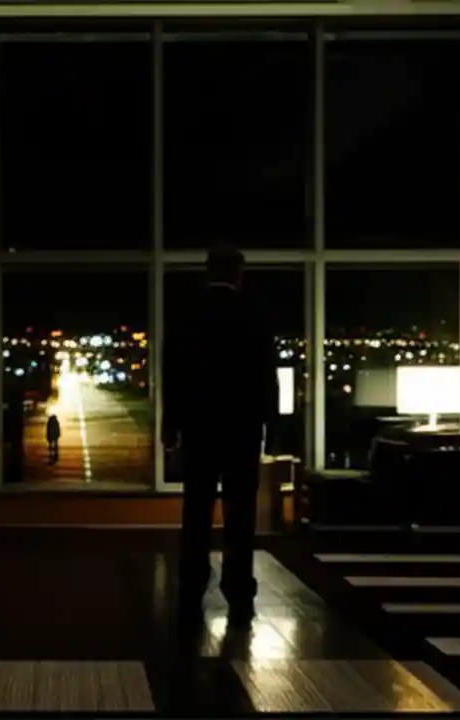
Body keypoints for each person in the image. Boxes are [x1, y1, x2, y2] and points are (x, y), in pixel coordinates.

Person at [163, 243, 276, 629]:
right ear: (238, 273)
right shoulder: (253, 313)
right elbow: (266, 376)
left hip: (200, 427)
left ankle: (192, 584)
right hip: (242, 429)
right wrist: (269, 427)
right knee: (240, 513)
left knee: (196, 509)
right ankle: (238, 588)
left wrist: (170, 424)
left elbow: (173, 372)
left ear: (207, 271)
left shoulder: (189, 313)